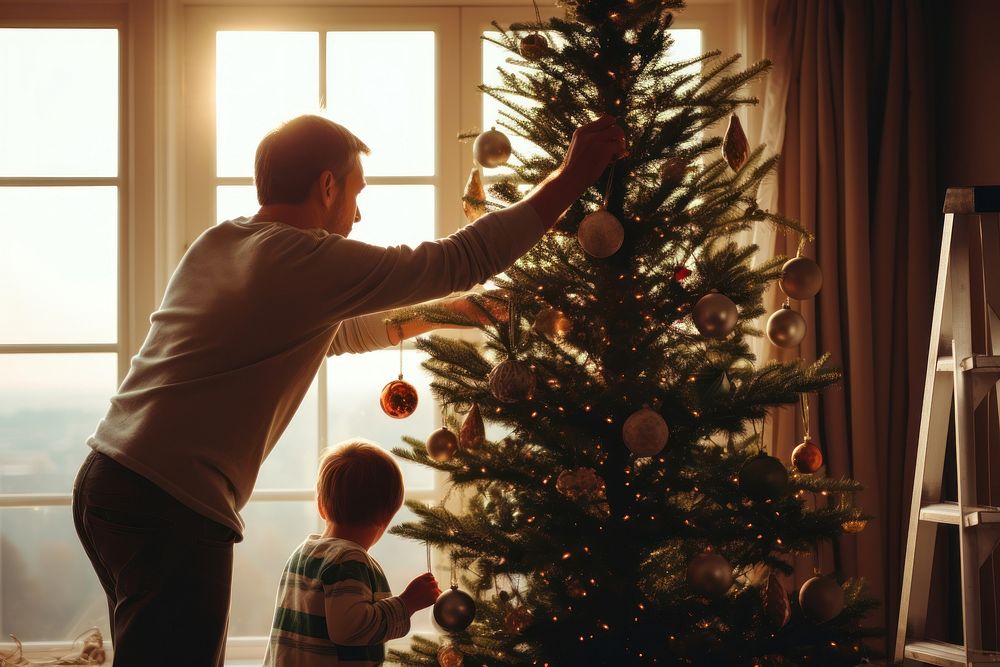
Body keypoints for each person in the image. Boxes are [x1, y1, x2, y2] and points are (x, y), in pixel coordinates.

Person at [72, 112, 625, 666]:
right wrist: (573, 175)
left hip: (109, 480)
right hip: (171, 503)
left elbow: (333, 335)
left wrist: (444, 314)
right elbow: (463, 258)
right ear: (327, 185)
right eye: (356, 192)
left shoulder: (225, 242)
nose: (357, 215)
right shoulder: (302, 256)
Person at [263, 440, 439, 666]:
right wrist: (407, 604)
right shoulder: (349, 560)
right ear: (386, 517)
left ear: (321, 506)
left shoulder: (303, 554)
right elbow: (350, 629)